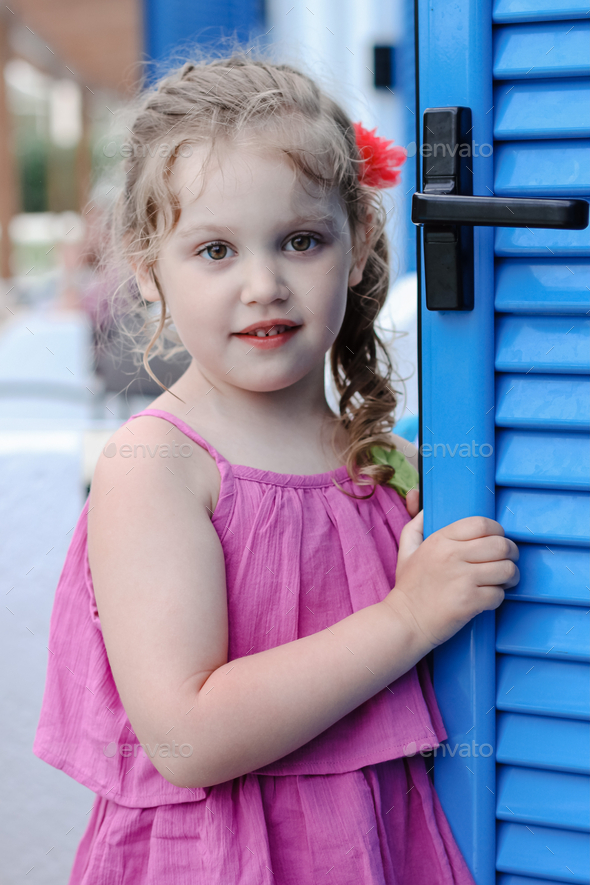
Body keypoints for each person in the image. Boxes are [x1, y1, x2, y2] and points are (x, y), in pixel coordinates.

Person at [33, 54, 519, 884]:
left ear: (360, 243)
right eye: (215, 250)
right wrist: (408, 616)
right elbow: (188, 736)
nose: (264, 285)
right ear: (149, 269)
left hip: (382, 851)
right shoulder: (158, 466)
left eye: (301, 241)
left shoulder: (385, 464)